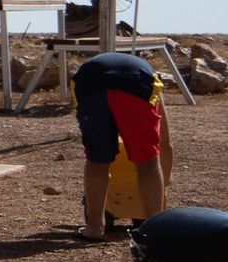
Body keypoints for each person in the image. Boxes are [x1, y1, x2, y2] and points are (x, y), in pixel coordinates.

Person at [72, 50, 170, 241]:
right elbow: (166, 143)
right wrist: (164, 184)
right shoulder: (152, 79)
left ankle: (94, 227)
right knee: (148, 162)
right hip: (136, 83)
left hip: (90, 81)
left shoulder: (102, 63)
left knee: (97, 160)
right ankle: (153, 230)